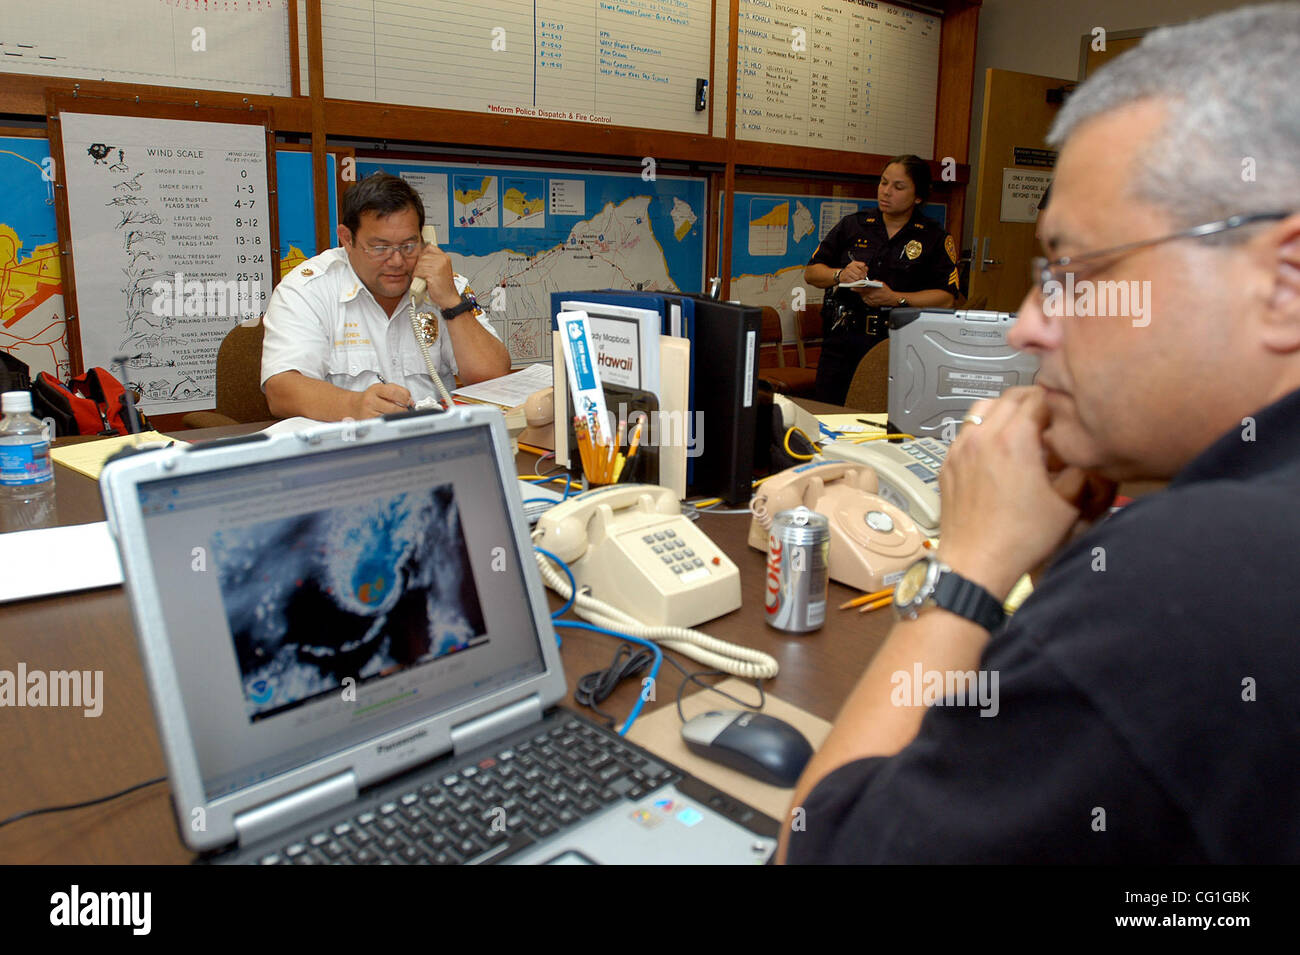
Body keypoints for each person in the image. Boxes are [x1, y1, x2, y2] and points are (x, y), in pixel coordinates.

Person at [781, 2, 1300, 863]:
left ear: (1283, 282)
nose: (1026, 324)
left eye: (1075, 271)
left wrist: (971, 568)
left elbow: (823, 850)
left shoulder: (1190, 575)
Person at [261, 172, 511, 420]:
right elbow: (281, 390)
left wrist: (452, 304)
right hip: (345, 447)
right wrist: (354, 406)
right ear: (347, 239)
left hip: (434, 444)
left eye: (408, 245)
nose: (397, 261)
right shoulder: (308, 290)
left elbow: (493, 381)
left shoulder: (447, 286)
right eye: (380, 248)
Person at [804, 155, 959, 405]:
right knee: (828, 413)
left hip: (898, 344)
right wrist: (839, 274)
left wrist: (896, 298)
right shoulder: (854, 225)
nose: (886, 192)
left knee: (882, 420)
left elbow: (946, 299)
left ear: (917, 196)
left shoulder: (933, 237)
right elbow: (811, 272)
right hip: (843, 341)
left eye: (898, 187)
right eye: (883, 183)